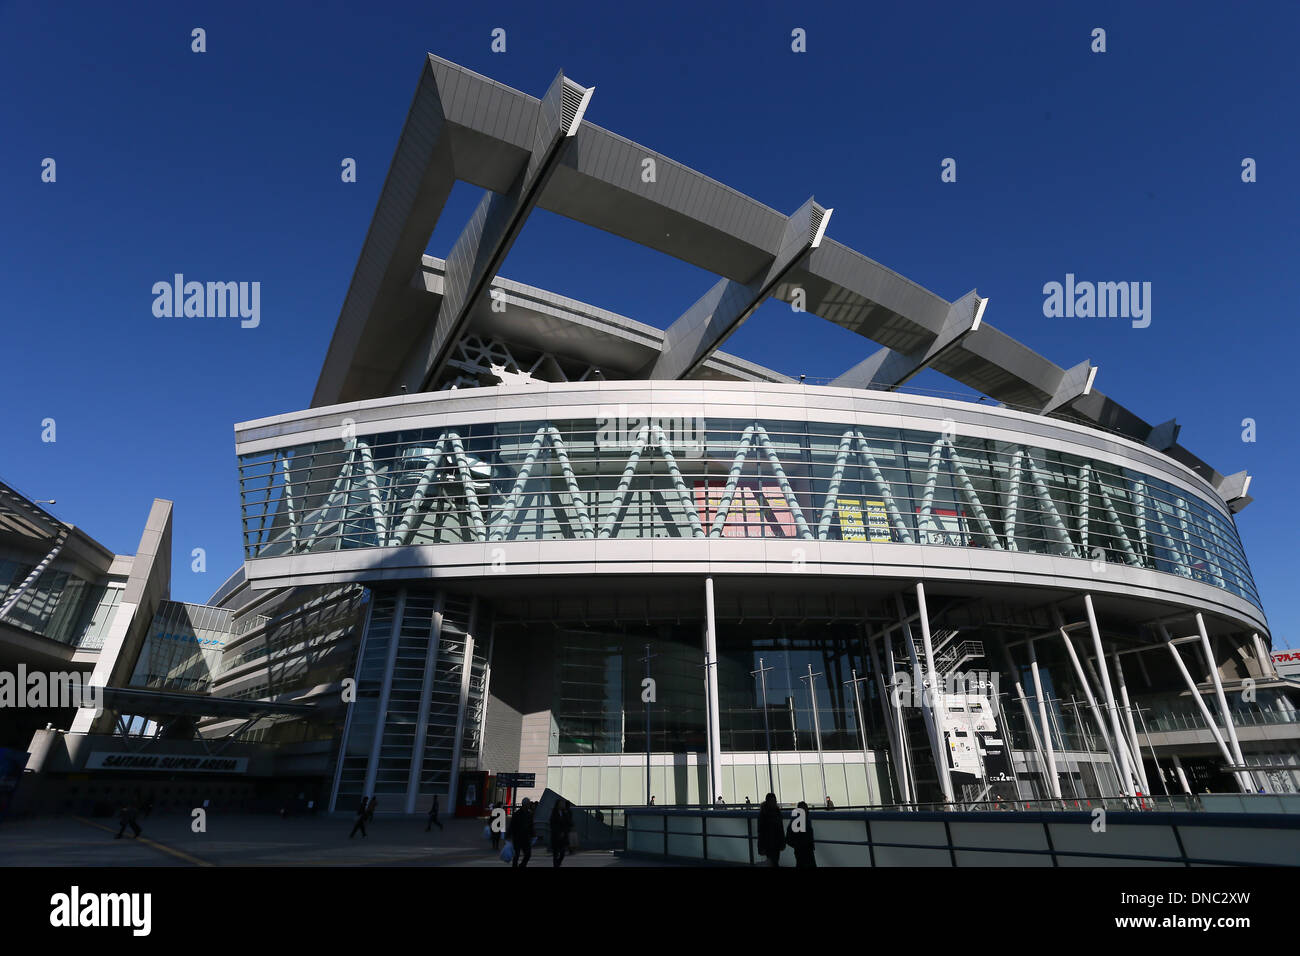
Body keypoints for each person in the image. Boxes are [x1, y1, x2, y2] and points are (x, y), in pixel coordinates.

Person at [756, 793, 785, 867]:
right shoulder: (777, 813)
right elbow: (780, 829)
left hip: (771, 843)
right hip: (772, 843)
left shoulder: (764, 813)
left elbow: (760, 831)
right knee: (774, 861)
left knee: (772, 862)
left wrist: (760, 847)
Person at [786, 800, 817, 868]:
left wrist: (796, 845)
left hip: (802, 850)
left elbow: (789, 837)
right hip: (805, 849)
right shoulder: (806, 819)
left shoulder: (797, 820)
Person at [509, 797, 535, 867]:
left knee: (528, 854)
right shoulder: (517, 814)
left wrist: (533, 835)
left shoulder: (530, 814)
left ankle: (522, 865)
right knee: (516, 855)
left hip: (526, 838)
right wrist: (509, 835)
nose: (529, 805)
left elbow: (531, 826)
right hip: (518, 838)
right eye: (528, 804)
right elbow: (512, 825)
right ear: (525, 804)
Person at [550, 798, 574, 867]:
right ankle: (556, 865)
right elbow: (553, 824)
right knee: (555, 853)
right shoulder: (554, 813)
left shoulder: (564, 812)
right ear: (557, 805)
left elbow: (569, 822)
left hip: (563, 836)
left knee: (562, 853)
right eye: (561, 804)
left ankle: (558, 863)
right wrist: (558, 832)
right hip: (556, 836)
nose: (562, 805)